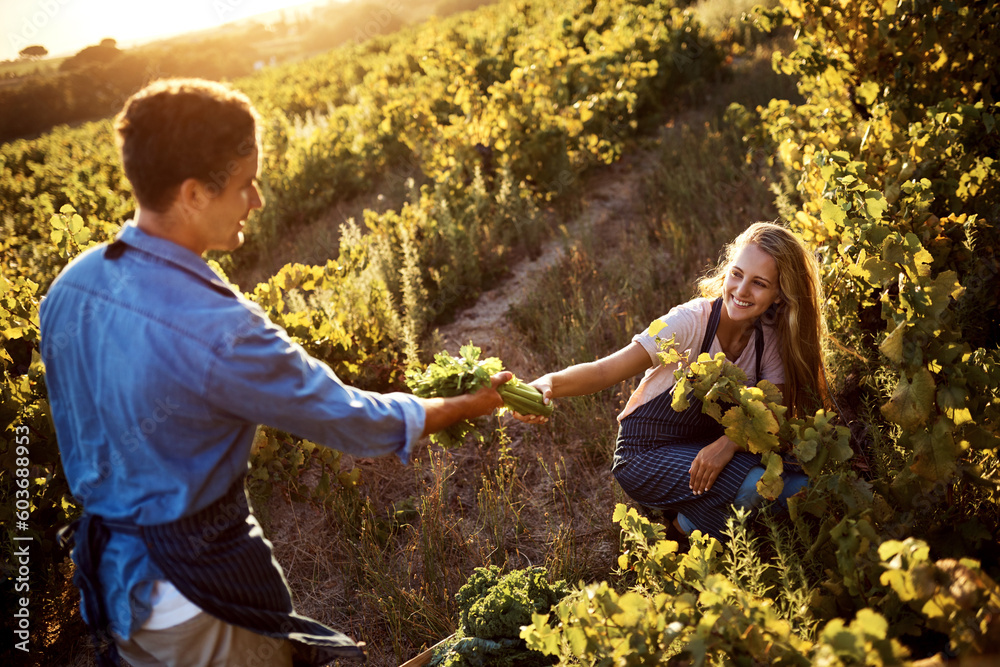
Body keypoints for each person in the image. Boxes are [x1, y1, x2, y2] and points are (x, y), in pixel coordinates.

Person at [39, 78, 510, 667]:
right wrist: (465, 405)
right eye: (244, 184)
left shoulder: (70, 287)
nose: (257, 200)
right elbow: (354, 420)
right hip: (196, 598)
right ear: (192, 193)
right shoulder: (219, 329)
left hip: (113, 590)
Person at [515, 222, 827, 541]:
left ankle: (693, 515)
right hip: (645, 452)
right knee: (754, 488)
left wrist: (727, 444)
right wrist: (548, 383)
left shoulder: (768, 338)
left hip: (705, 447)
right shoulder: (690, 323)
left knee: (802, 487)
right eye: (737, 274)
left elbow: (775, 413)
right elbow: (604, 371)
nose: (742, 290)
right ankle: (682, 530)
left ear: (778, 295)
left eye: (759, 283)